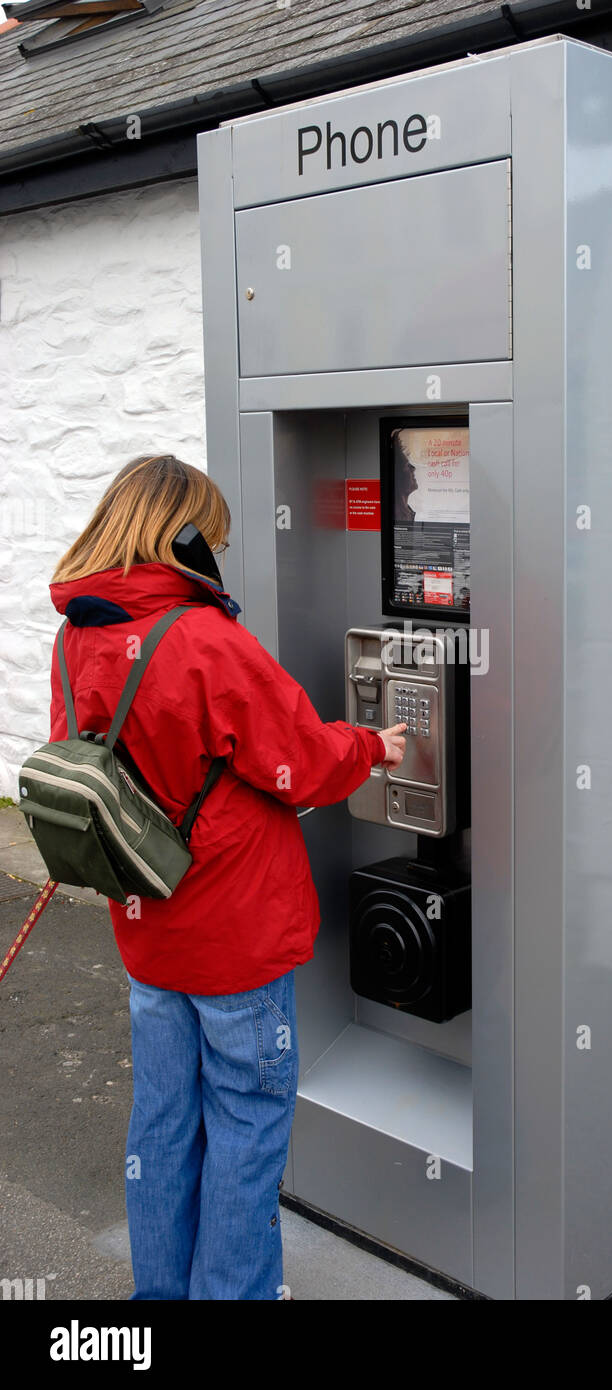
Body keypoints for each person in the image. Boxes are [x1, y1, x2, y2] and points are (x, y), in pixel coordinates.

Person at [47, 453, 407, 1300]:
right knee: (246, 1128)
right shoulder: (205, 640)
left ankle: (160, 1296)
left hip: (148, 934)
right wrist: (374, 747)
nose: (220, 550)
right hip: (237, 940)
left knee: (164, 1127)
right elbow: (303, 764)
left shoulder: (74, 637)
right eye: (213, 536)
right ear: (180, 536)